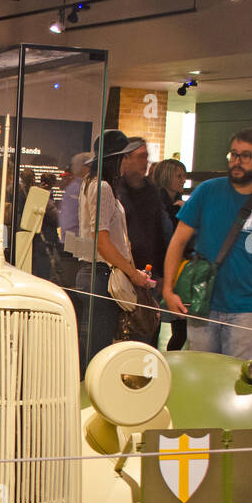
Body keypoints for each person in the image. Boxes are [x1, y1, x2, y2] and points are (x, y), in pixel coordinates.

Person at [161, 129, 252, 361]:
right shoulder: (207, 191)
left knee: (233, 381)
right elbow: (178, 241)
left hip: (246, 307)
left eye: (246, 156)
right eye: (234, 154)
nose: (237, 162)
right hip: (203, 300)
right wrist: (168, 290)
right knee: (201, 373)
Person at [76, 130, 156, 370]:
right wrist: (133, 274)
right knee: (100, 352)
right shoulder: (103, 187)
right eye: (124, 157)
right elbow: (102, 240)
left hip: (94, 273)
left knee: (95, 349)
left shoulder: (88, 184)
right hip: (103, 276)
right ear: (117, 159)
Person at [112, 139, 168, 347]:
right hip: (122, 273)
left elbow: (158, 233)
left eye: (146, 156)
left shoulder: (152, 192)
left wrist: (162, 274)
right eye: (141, 156)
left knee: (147, 329)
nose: (145, 162)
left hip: (147, 274)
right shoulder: (115, 190)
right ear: (125, 159)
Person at [150, 157, 189, 349]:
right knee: (157, 324)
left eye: (184, 176)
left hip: (175, 270)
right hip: (160, 271)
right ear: (166, 177)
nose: (183, 180)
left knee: (179, 326)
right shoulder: (159, 204)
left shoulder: (178, 205)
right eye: (179, 176)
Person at [58, 151, 92, 290]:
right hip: (76, 247)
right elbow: (71, 222)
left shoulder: (75, 187)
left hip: (73, 246)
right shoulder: (78, 188)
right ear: (84, 168)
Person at [35, 172, 61, 281]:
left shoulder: (38, 193)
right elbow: (55, 217)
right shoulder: (44, 195)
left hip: (44, 237)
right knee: (47, 270)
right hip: (45, 238)